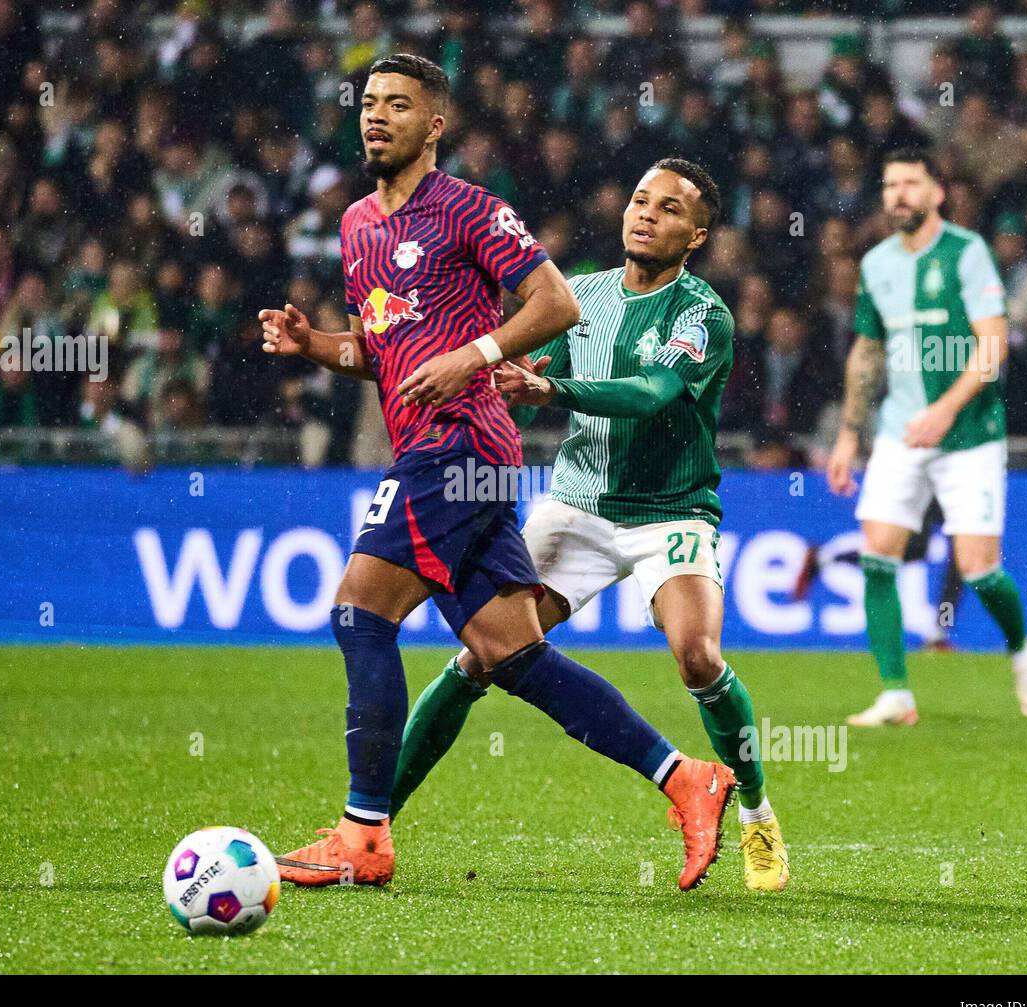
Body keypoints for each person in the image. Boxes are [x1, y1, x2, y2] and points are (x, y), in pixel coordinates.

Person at [259, 55, 734, 890]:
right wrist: (316, 348)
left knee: (358, 614)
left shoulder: (470, 209)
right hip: (433, 443)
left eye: (398, 106)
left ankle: (363, 832)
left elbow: (556, 304)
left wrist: (473, 355)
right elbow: (383, 350)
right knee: (508, 652)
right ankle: (684, 776)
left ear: (432, 126)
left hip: (462, 443)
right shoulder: (357, 227)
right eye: (369, 104)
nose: (377, 118)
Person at [389, 159, 790, 892]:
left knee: (698, 657)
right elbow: (518, 375)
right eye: (639, 200)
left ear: (696, 234)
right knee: (483, 654)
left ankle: (757, 812)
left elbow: (650, 392)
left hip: (670, 509)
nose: (646, 215)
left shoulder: (703, 316)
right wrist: (494, 389)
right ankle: (373, 821)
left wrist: (551, 388)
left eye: (669, 209)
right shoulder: (583, 297)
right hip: (575, 505)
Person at [826, 148, 1027, 726]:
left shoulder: (967, 253)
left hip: (969, 434)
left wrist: (947, 409)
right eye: (890, 183)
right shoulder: (875, 263)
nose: (898, 193)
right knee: (878, 553)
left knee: (979, 568)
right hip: (902, 432)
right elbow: (868, 350)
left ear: (936, 193)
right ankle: (897, 694)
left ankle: (1020, 646)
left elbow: (993, 343)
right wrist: (851, 433)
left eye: (910, 183)